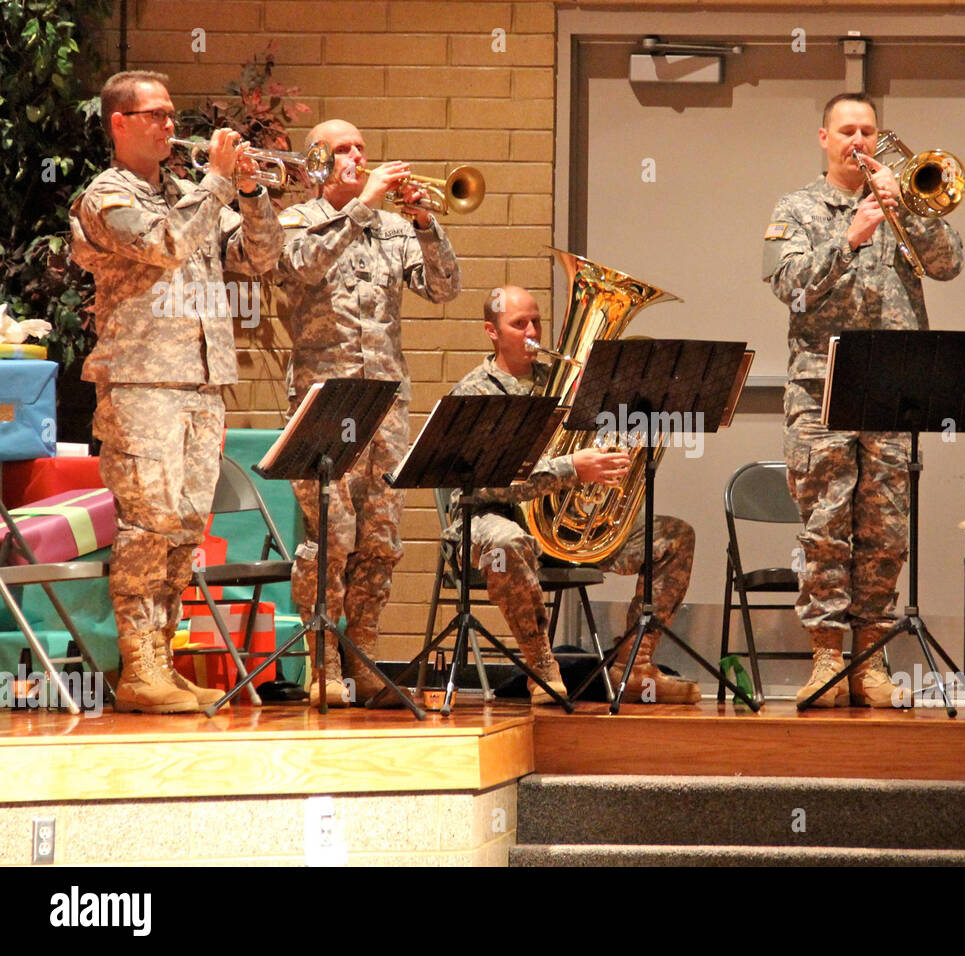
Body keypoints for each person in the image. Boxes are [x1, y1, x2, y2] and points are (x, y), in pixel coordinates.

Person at [70, 71, 283, 713]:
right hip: (142, 383)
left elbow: (263, 257)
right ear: (120, 122)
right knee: (147, 522)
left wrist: (248, 193)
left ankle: (163, 657)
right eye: (155, 114)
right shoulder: (104, 198)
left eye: (170, 113)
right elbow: (166, 245)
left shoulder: (193, 193)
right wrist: (217, 184)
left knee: (187, 526)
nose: (169, 124)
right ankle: (138, 668)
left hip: (201, 380)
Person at [762, 92, 962, 708]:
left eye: (868, 131)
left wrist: (910, 212)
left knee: (885, 530)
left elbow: (949, 263)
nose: (859, 140)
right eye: (847, 130)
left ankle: (870, 659)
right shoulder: (797, 208)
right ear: (824, 138)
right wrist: (848, 238)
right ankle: (826, 655)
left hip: (894, 389)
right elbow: (789, 288)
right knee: (826, 527)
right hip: (820, 388)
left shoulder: (905, 201)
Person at [275, 120, 460, 706]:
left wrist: (426, 224)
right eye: (344, 149)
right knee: (331, 536)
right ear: (317, 160)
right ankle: (323, 662)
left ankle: (364, 656)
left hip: (385, 404)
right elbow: (301, 266)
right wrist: (363, 205)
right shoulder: (296, 222)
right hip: (323, 401)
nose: (358, 156)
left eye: (361, 147)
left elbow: (445, 288)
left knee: (380, 539)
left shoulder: (393, 229)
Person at [446, 286, 699, 705]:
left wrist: (613, 456)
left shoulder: (565, 384)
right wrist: (571, 469)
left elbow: (594, 445)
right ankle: (541, 666)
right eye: (518, 324)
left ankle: (633, 663)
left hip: (558, 529)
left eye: (537, 321)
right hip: (489, 517)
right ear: (491, 331)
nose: (532, 332)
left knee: (675, 536)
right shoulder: (475, 391)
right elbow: (487, 481)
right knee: (509, 542)